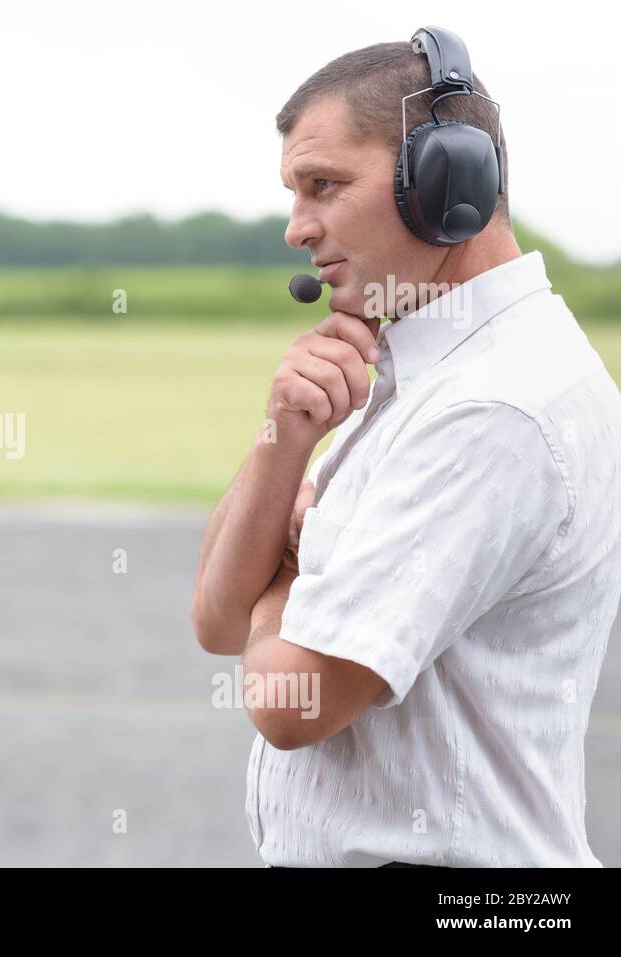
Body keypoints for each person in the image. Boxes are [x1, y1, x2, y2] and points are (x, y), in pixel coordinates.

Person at [191, 30, 621, 867]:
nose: (296, 229)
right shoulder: (417, 362)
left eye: (324, 186)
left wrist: (285, 575)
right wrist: (286, 435)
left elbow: (289, 698)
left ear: (446, 186)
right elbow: (214, 620)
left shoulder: (493, 406)